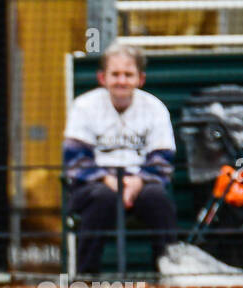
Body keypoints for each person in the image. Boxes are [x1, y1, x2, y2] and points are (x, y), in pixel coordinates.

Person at [63, 42, 177, 274]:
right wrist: (111, 182)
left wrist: (135, 183)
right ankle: (86, 278)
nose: (121, 80)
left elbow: (163, 160)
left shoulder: (155, 108)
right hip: (95, 184)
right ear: (102, 77)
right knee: (102, 198)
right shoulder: (83, 106)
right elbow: (75, 159)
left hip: (141, 182)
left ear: (140, 79)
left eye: (128, 74)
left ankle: (166, 275)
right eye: (115, 74)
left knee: (158, 200)